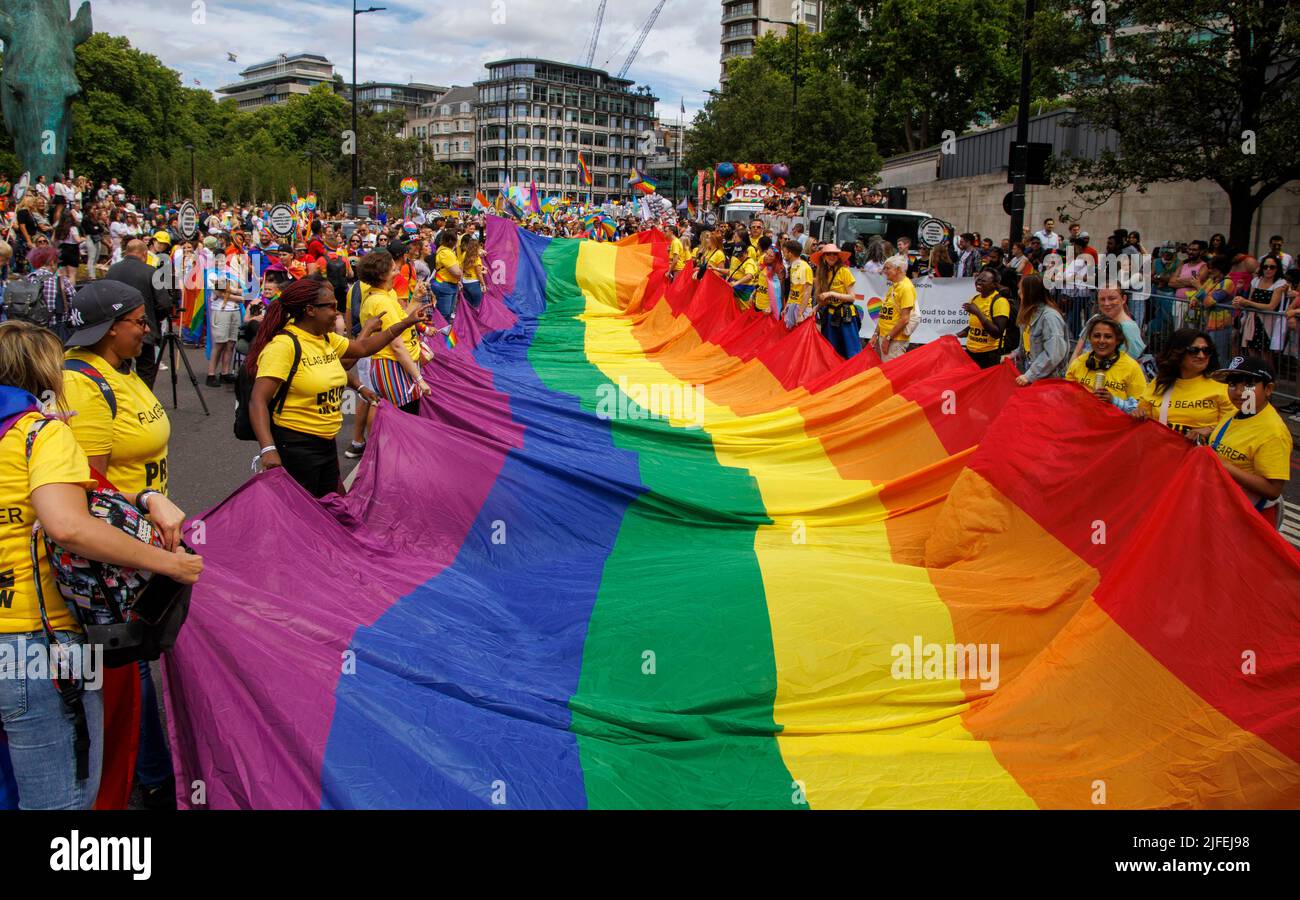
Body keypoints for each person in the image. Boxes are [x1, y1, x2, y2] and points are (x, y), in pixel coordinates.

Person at [0, 319, 201, 809]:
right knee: (61, 802)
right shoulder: (39, 434)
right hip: (38, 640)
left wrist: (145, 493)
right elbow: (70, 525)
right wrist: (169, 565)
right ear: (46, 373)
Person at [57, 281, 187, 808]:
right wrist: (150, 511)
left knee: (143, 654)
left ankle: (146, 764)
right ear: (112, 328)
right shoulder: (84, 386)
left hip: (150, 539)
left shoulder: (124, 370)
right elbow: (87, 492)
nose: (148, 330)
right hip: (117, 557)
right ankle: (149, 775)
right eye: (139, 321)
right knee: (127, 662)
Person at [245, 278, 430, 498]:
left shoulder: (325, 338)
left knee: (332, 510)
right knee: (307, 515)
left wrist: (406, 322)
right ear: (310, 310)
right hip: (295, 447)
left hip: (325, 444)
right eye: (331, 307)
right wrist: (268, 449)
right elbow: (257, 400)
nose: (337, 313)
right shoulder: (283, 346)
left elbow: (361, 347)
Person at [1205, 356, 1293, 528]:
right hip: (1223, 512)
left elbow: (1272, 490)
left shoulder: (1273, 432)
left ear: (1268, 389)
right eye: (1233, 384)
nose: (1239, 391)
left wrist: (1224, 465)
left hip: (1248, 521)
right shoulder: (1237, 413)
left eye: (1248, 385)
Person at [358, 250, 433, 417]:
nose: (398, 272)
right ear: (382, 275)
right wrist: (419, 379)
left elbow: (401, 320)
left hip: (400, 364)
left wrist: (416, 300)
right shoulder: (380, 301)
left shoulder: (387, 294)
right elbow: (397, 345)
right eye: (393, 269)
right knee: (405, 419)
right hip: (392, 365)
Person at [1136, 328, 1235, 439]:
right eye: (1194, 350)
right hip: (1161, 450)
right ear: (1177, 352)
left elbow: (1235, 427)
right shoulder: (1160, 382)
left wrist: (1210, 431)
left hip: (1200, 453)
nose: (1201, 356)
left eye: (1206, 350)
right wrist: (1138, 415)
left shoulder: (1221, 385)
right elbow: (1143, 414)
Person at [104, 239, 173, 389]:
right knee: (146, 371)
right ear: (144, 254)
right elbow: (165, 303)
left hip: (117, 329)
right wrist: (155, 318)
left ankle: (122, 402)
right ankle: (143, 403)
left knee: (120, 370)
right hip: (144, 327)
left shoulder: (112, 270)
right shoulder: (151, 272)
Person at [1065, 317, 1147, 412]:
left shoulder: (1131, 367)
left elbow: (1141, 408)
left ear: (1117, 340)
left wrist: (1113, 401)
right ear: (1090, 338)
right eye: (1096, 336)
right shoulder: (1079, 363)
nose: (1101, 341)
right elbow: (1066, 397)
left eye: (1108, 337)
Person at [1011, 274, 1069, 386]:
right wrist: (1013, 355)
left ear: (1030, 293)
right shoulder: (1029, 315)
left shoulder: (1049, 317)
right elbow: (1027, 346)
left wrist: (1030, 375)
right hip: (1032, 371)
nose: (1018, 293)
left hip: (1049, 379)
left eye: (1021, 290)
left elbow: (1054, 354)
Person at [811, 243, 862, 359]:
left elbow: (852, 297)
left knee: (851, 351)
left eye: (834, 254)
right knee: (831, 351)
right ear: (824, 256)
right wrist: (817, 307)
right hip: (830, 316)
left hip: (845, 316)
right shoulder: (823, 273)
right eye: (828, 254)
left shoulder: (844, 271)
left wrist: (831, 293)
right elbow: (826, 299)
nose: (832, 256)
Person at [1237, 255, 1287, 357]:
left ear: (1277, 269)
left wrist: (1248, 303)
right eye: (1265, 266)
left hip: (1268, 324)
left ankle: (1268, 374)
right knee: (1252, 353)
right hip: (1252, 321)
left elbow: (1271, 306)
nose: (1268, 269)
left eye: (1272, 267)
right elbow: (1250, 299)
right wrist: (1241, 302)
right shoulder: (1256, 281)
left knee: (1266, 357)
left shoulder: (1280, 283)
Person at [959, 270, 1011, 369]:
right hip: (971, 352)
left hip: (990, 355)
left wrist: (978, 313)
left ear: (994, 285)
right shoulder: (974, 299)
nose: (979, 282)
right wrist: (957, 335)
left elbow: (997, 333)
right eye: (978, 279)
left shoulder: (1000, 302)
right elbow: (974, 326)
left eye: (983, 281)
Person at [872, 255, 915, 361]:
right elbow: (883, 313)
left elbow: (905, 319)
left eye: (888, 268)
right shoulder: (894, 286)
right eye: (884, 268)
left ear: (898, 269)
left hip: (895, 341)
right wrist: (876, 334)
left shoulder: (906, 288)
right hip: (885, 337)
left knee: (891, 374)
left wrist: (888, 338)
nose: (884, 271)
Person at [429, 230, 463, 321]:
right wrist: (460, 273)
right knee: (444, 315)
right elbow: (457, 272)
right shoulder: (446, 253)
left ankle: (444, 333)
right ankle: (440, 333)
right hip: (445, 285)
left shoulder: (444, 251)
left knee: (447, 313)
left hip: (448, 285)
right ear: (453, 241)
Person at [459, 237, 485, 311]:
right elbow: (479, 274)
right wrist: (483, 284)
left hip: (465, 282)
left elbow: (461, 268)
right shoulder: (476, 258)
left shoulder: (464, 254)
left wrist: (460, 281)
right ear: (477, 247)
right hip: (474, 283)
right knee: (477, 306)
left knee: (468, 306)